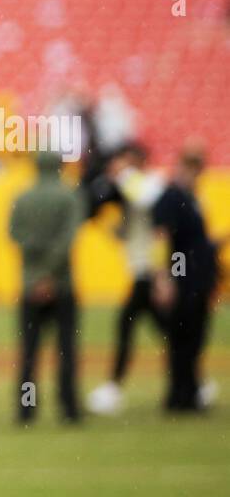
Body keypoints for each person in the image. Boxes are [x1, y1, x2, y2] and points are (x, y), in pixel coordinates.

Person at [87, 143, 167, 415]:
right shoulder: (135, 187)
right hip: (144, 271)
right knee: (170, 331)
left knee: (127, 325)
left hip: (149, 272)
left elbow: (144, 196)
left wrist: (120, 174)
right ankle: (190, 383)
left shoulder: (151, 184)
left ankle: (113, 388)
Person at [9, 151, 84, 423]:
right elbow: (67, 239)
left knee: (29, 353)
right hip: (62, 284)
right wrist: (51, 275)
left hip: (30, 285)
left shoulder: (22, 197)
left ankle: (26, 410)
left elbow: (15, 235)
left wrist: (37, 272)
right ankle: (69, 408)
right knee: (66, 350)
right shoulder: (69, 196)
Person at [151, 147, 223, 412]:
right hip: (182, 279)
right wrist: (165, 278)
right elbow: (161, 238)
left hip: (196, 279)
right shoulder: (172, 197)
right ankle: (179, 395)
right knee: (183, 338)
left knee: (193, 338)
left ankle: (188, 393)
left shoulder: (191, 198)